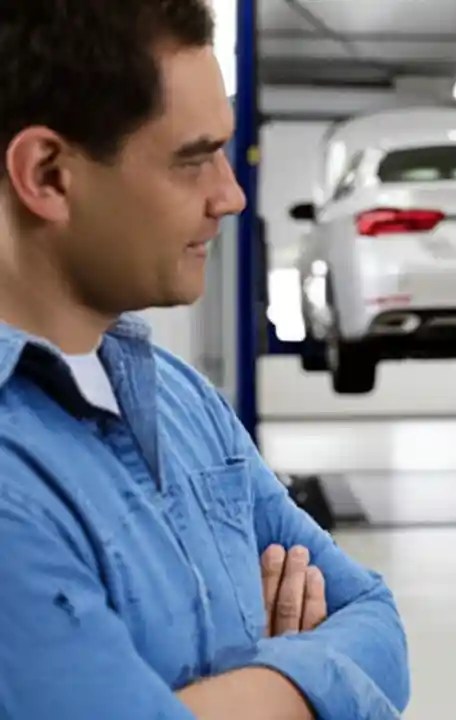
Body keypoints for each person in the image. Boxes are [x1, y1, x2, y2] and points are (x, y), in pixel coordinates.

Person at [0, 1, 410, 718]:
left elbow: (375, 618)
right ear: (48, 175)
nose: (232, 194)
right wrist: (307, 673)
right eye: (193, 160)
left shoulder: (180, 398)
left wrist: (249, 691)